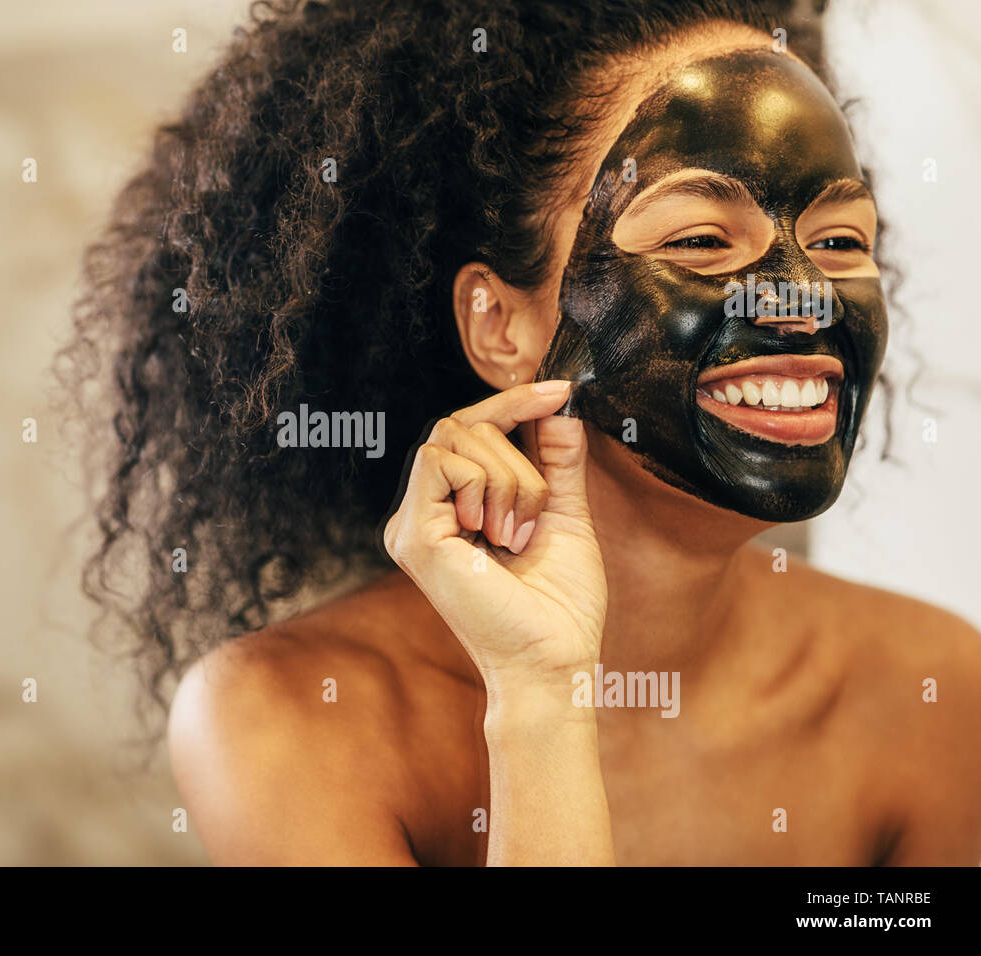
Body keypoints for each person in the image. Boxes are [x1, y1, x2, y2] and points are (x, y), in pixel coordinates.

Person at [60, 0, 981, 865]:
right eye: (701, 241)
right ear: (501, 326)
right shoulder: (288, 718)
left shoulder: (931, 690)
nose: (802, 298)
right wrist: (541, 697)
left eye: (840, 242)